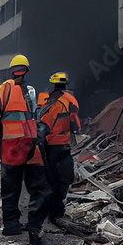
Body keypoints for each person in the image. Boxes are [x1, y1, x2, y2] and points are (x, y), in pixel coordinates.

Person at [0, 55, 50, 245]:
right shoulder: (31, 91)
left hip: (13, 147)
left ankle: (11, 225)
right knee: (38, 187)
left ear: (11, 71)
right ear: (26, 70)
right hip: (32, 145)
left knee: (11, 187)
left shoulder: (4, 89)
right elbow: (35, 117)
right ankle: (35, 226)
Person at [36, 72, 81, 229]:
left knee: (53, 181)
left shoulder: (52, 104)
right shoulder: (68, 102)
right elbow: (74, 124)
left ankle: (53, 212)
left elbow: (42, 129)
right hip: (62, 149)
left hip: (52, 150)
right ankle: (55, 212)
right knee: (62, 180)